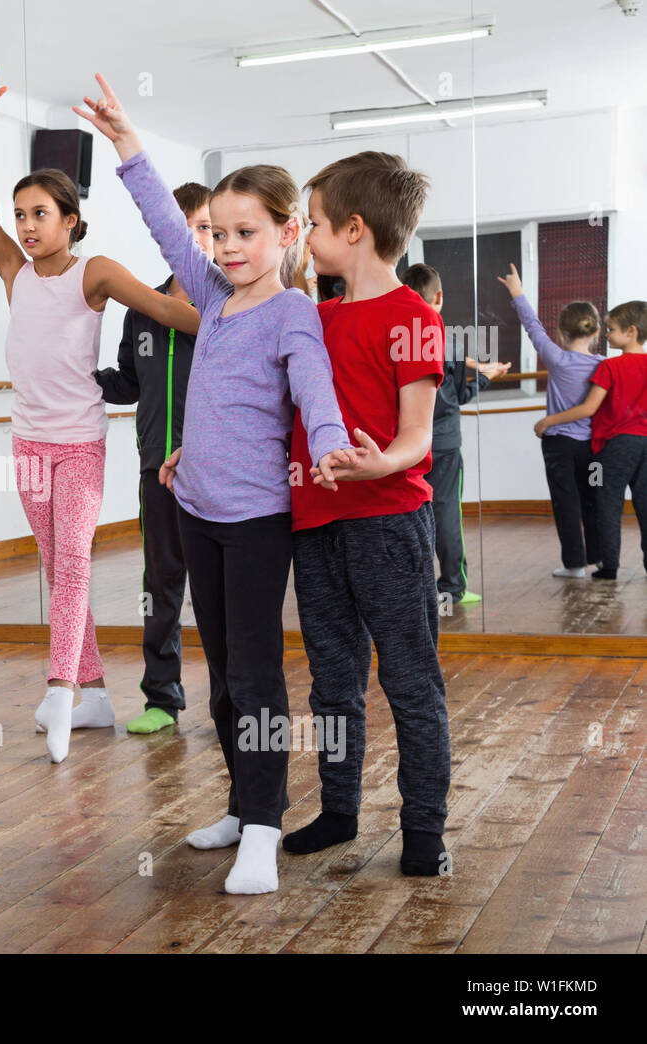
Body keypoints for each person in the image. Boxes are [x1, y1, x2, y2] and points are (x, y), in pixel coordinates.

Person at [76, 74, 357, 894]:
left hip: (258, 522)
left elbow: (313, 388)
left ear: (287, 233)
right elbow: (166, 223)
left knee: (259, 673)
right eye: (222, 235)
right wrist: (128, 143)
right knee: (225, 673)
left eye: (246, 233)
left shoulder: (292, 312)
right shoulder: (210, 293)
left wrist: (333, 440)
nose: (229, 247)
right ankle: (243, 803)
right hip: (194, 507)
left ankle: (265, 831)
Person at [0, 66, 201, 765]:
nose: (29, 226)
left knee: (72, 570)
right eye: (23, 214)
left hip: (80, 446)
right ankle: (95, 691)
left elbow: (165, 310)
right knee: (54, 566)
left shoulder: (92, 271)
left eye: (42, 214)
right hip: (28, 444)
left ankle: (61, 689)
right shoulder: (13, 270)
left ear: (71, 221)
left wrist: (237, 319)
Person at [283, 150, 452, 878]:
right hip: (315, 527)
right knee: (332, 681)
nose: (306, 236)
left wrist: (382, 461)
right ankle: (341, 810)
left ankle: (424, 830)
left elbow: (417, 431)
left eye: (313, 223)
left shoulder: (413, 316)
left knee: (410, 680)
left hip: (388, 526)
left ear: (353, 230)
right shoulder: (310, 318)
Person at [93, 181, 213, 735]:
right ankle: (162, 697)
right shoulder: (141, 310)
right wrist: (80, 378)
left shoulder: (228, 305)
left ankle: (231, 701)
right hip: (154, 468)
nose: (199, 240)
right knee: (160, 587)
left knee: (221, 592)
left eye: (208, 230)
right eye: (189, 229)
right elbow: (130, 383)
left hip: (216, 474)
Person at [401, 263, 510, 604]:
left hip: (404, 444)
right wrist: (487, 377)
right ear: (439, 296)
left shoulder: (396, 339)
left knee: (408, 513)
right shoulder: (448, 340)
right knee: (447, 512)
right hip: (444, 444)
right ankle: (451, 587)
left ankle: (413, 588)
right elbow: (459, 395)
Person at [498, 265, 603, 577]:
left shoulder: (557, 359)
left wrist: (517, 292)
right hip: (592, 448)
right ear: (596, 332)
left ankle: (574, 565)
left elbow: (533, 327)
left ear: (561, 332)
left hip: (559, 444)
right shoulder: (604, 366)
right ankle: (598, 558)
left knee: (565, 503)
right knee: (592, 500)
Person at [536, 301, 647, 581]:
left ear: (631, 331)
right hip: (635, 446)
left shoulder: (610, 367)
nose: (607, 335)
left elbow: (588, 408)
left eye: (612, 330)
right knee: (642, 505)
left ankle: (608, 566)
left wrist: (548, 421)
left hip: (612, 450)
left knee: (606, 503)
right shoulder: (608, 363)